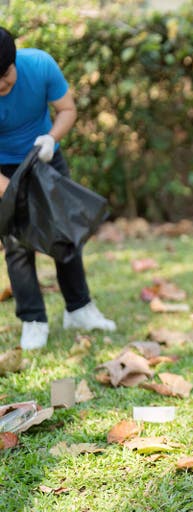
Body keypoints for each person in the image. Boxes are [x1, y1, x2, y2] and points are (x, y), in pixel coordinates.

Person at [0, 27, 115, 350]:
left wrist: (52, 138)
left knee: (65, 232)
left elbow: (67, 109)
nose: (0, 85)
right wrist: (11, 190)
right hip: (3, 168)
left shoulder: (39, 65)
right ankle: (33, 320)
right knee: (17, 245)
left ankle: (79, 309)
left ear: (15, 62)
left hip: (44, 154)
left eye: (5, 75)